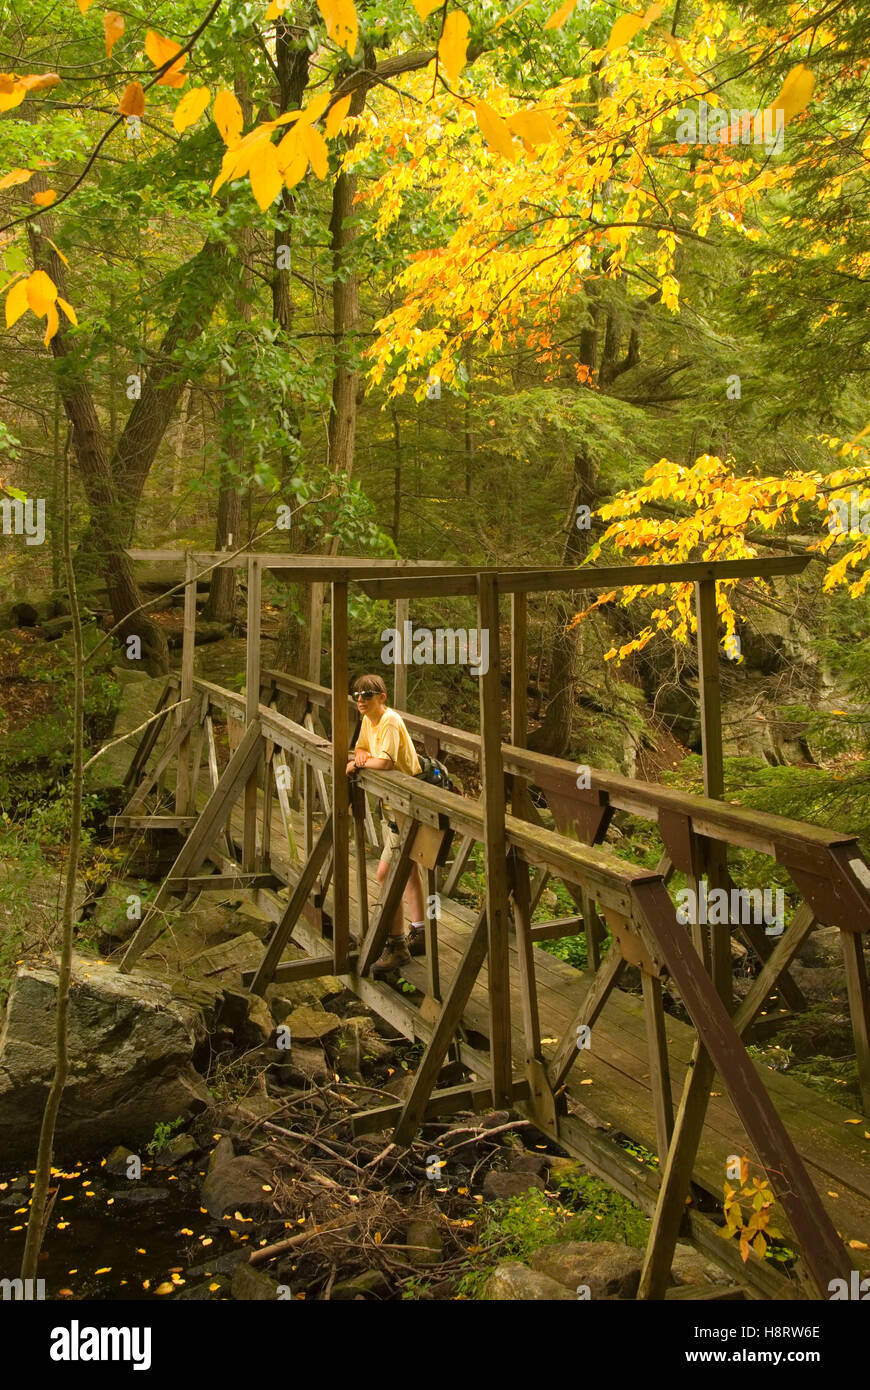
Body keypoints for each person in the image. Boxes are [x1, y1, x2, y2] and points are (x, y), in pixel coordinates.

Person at [345, 674, 426, 977]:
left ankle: (398, 945)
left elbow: (386, 763)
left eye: (367, 694)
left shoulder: (389, 720)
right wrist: (362, 755)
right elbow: (362, 748)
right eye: (357, 695)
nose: (361, 700)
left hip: (409, 804)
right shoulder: (369, 718)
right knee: (409, 869)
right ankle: (418, 932)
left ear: (382, 696)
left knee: (386, 873)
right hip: (394, 804)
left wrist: (357, 763)